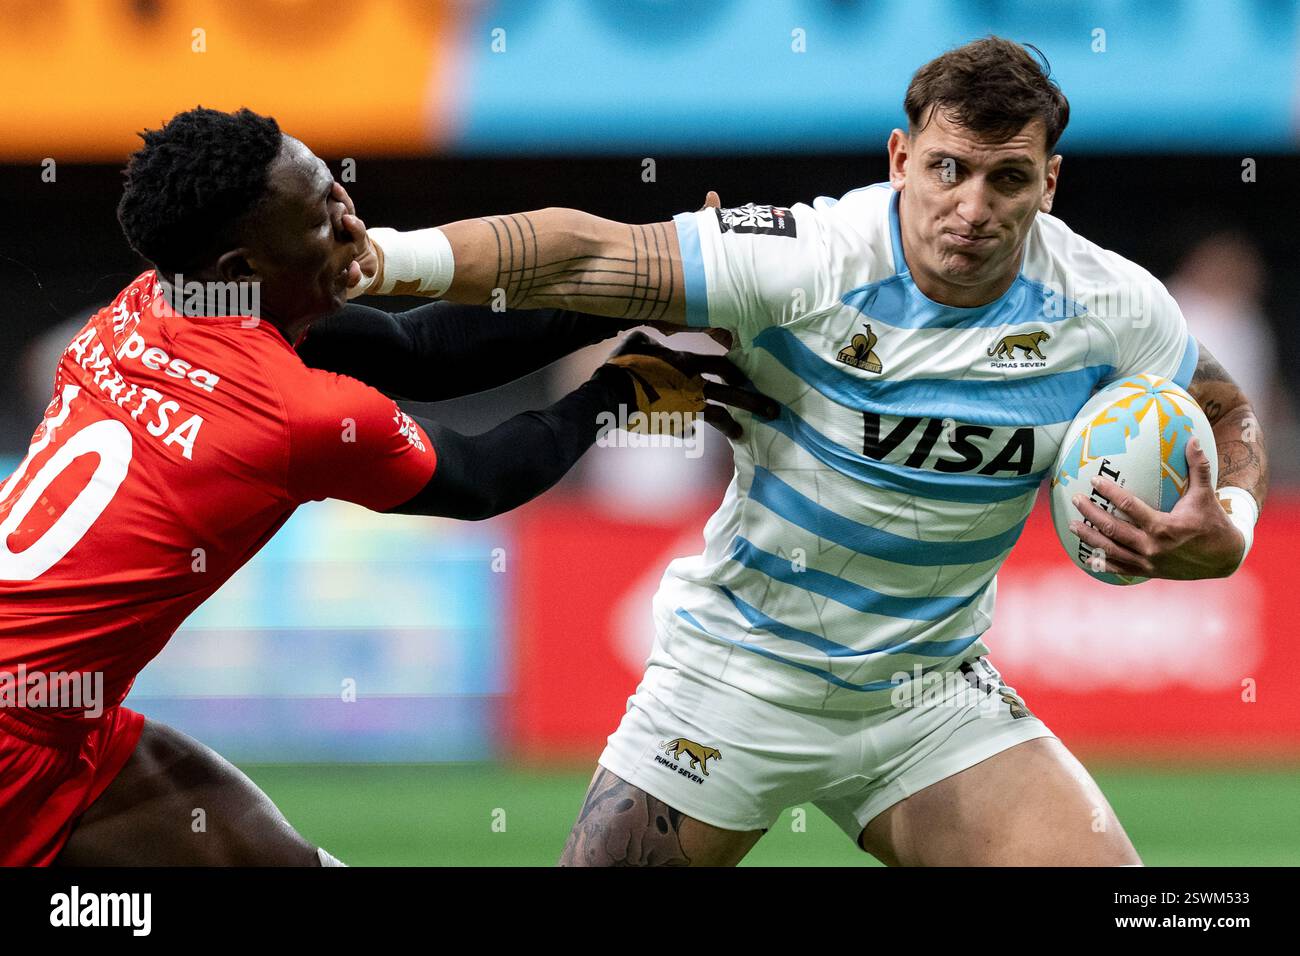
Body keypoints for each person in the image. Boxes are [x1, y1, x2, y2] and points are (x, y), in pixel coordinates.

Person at [351, 37, 1269, 866]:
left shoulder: (1108, 303)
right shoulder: (810, 258)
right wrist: (381, 258)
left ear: (1051, 182)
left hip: (930, 696)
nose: (973, 208)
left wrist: (1229, 519)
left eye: (1008, 180)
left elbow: (1225, 409)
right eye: (947, 169)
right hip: (739, 680)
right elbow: (584, 256)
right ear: (901, 158)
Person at [0, 106, 771, 866]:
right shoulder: (290, 412)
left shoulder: (153, 303)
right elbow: (478, 479)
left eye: (334, 188)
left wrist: (652, 281)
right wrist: (620, 392)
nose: (349, 217)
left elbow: (425, 351)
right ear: (244, 271)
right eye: (320, 219)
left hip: (59, 718)